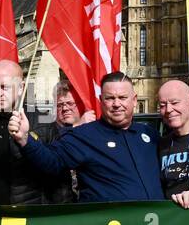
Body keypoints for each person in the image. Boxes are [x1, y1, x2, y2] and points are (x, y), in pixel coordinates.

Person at [10, 72, 163, 203]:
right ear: (101, 99)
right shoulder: (84, 135)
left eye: (122, 97)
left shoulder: (150, 134)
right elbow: (52, 160)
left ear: (134, 100)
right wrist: (25, 139)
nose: (117, 104)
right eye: (110, 98)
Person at [0, 60, 52, 206]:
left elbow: (57, 175)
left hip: (30, 218)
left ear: (21, 87)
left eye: (4, 87)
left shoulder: (43, 122)